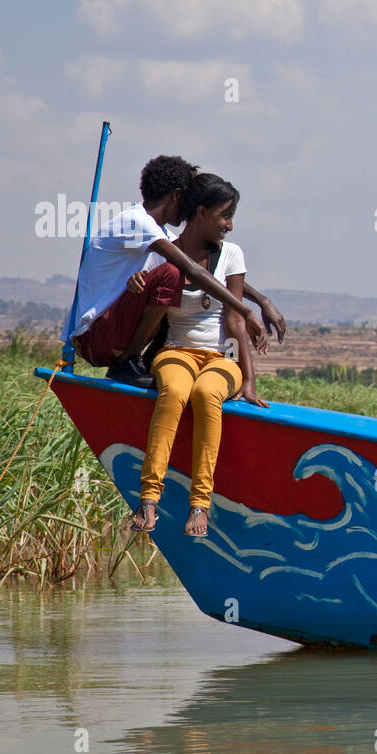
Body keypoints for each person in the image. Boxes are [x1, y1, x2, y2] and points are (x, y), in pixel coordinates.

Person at [68, 155, 286, 386]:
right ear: (177, 195)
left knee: (173, 280)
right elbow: (190, 269)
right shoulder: (136, 222)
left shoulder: (167, 238)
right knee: (172, 277)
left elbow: (215, 279)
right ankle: (129, 362)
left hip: (217, 358)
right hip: (96, 335)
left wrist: (261, 300)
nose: (187, 211)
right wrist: (246, 310)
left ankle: (144, 362)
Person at [132, 173, 269, 537]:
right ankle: (148, 498)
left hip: (221, 358)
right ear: (201, 211)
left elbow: (236, 319)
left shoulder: (232, 255)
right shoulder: (164, 254)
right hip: (176, 351)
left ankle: (200, 505)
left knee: (207, 394)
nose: (230, 224)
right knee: (175, 392)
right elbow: (142, 305)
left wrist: (249, 379)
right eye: (225, 214)